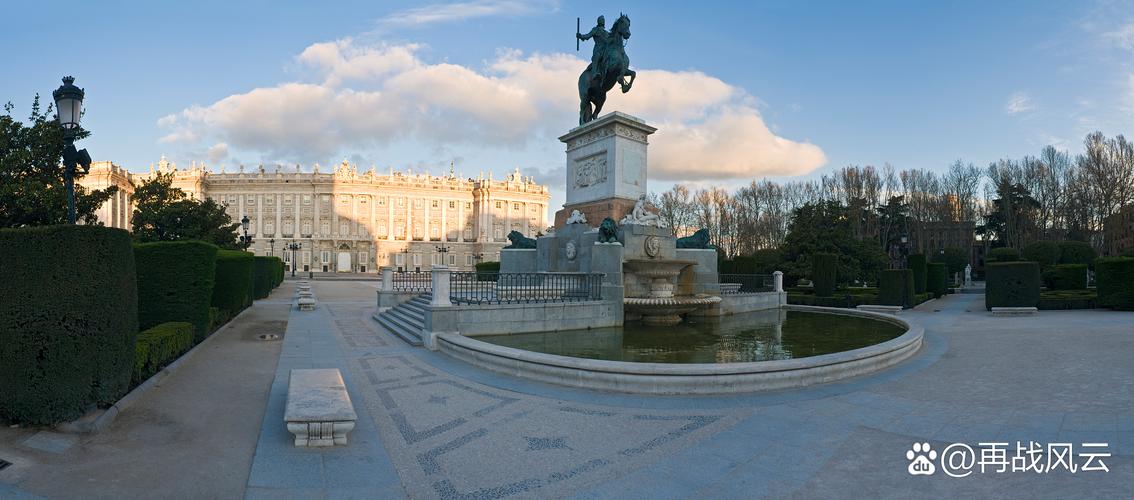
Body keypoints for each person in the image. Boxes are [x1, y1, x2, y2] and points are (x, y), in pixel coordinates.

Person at [577, 16, 610, 83]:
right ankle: (594, 73)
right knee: (596, 57)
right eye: (601, 20)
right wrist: (581, 36)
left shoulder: (607, 33)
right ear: (598, 22)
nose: (602, 21)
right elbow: (588, 36)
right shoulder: (595, 30)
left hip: (606, 50)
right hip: (598, 49)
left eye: (603, 20)